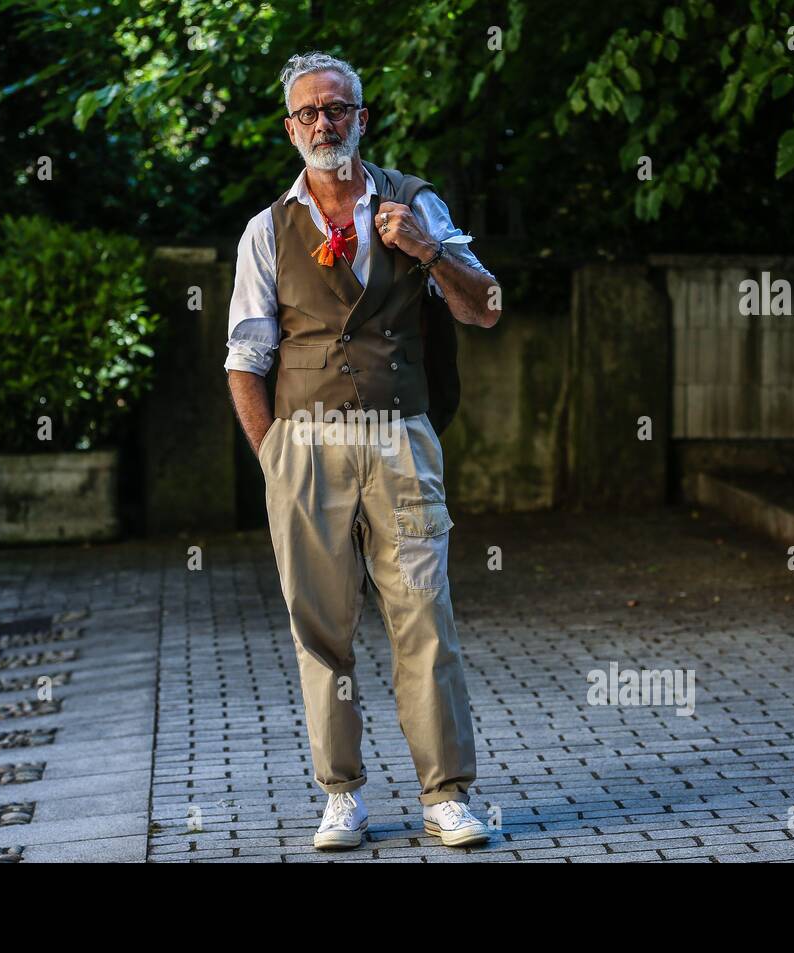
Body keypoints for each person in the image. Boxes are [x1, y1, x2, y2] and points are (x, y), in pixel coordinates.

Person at [224, 51, 502, 851]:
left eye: (337, 108)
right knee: (320, 627)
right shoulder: (265, 230)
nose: (323, 123)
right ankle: (340, 793)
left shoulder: (415, 203)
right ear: (289, 128)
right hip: (304, 447)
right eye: (308, 112)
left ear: (362, 118)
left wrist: (428, 250)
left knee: (424, 614)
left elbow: (485, 307)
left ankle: (445, 794)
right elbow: (246, 358)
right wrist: (274, 454)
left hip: (400, 439)